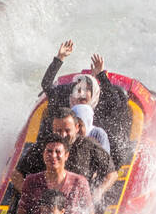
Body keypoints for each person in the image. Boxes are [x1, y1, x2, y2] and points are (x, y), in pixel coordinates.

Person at [42, 43, 132, 171]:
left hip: (95, 158)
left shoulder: (101, 107)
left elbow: (115, 103)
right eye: (78, 89)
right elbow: (47, 85)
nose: (81, 93)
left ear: (94, 93)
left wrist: (101, 74)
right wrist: (59, 58)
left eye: (87, 90)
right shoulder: (65, 105)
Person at [13, 109, 112, 194]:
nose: (63, 135)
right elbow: (16, 174)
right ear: (53, 129)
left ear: (77, 128)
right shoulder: (43, 146)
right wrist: (30, 196)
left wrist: (97, 193)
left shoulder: (89, 146)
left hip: (77, 201)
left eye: (67, 130)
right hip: (47, 204)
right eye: (58, 131)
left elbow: (111, 174)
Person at [16, 139, 93, 214]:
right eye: (49, 151)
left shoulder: (79, 182)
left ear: (66, 155)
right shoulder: (31, 181)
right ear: (43, 155)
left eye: (58, 152)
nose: (53, 155)